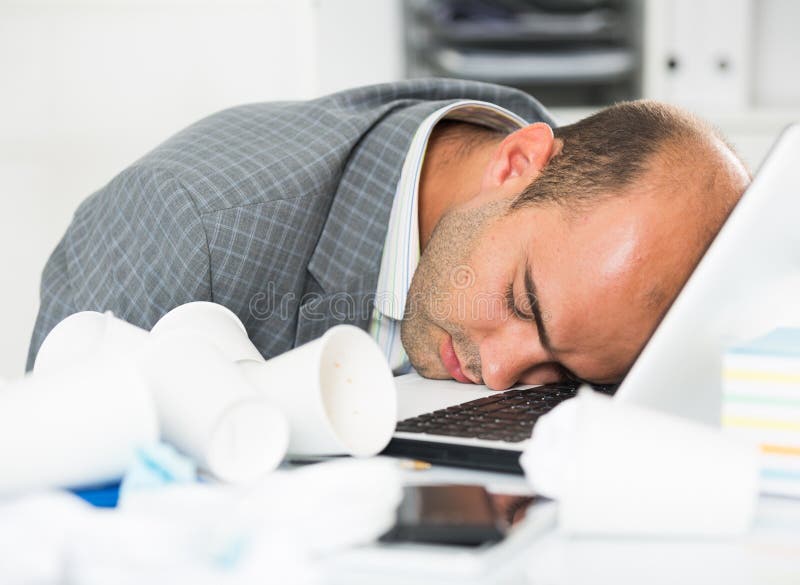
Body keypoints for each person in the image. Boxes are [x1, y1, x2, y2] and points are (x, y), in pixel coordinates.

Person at [27, 79, 750, 389]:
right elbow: (48, 512)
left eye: (561, 370)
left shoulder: (566, 197)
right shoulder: (184, 226)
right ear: (515, 162)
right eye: (522, 303)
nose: (501, 375)